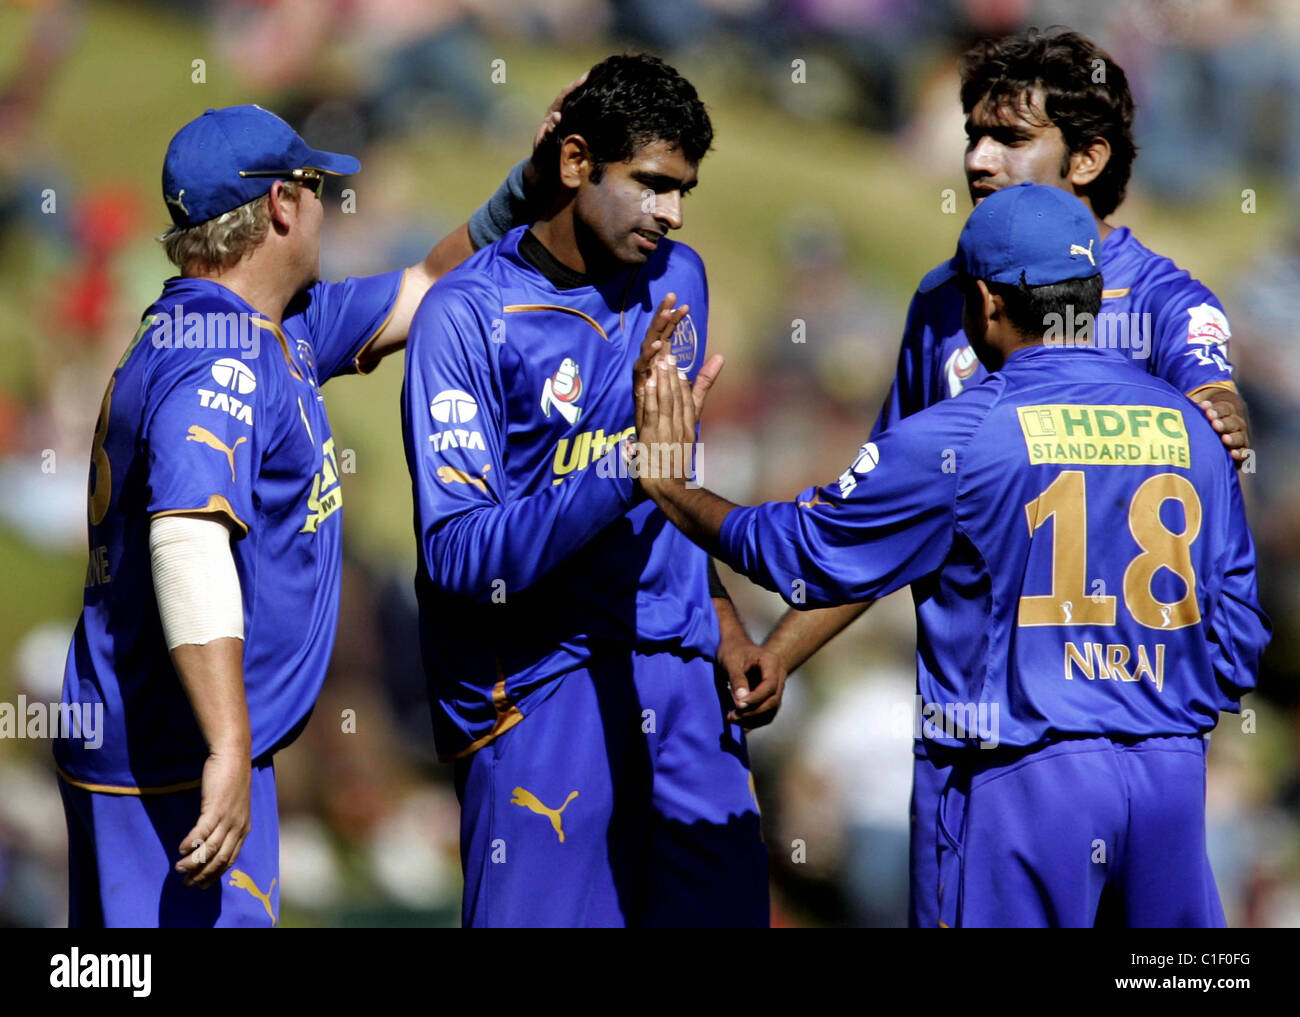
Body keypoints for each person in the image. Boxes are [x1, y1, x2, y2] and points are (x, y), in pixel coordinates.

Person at [634, 182, 1270, 927]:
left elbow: (798, 552)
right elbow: (1238, 637)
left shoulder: (962, 434)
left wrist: (670, 484)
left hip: (1022, 780)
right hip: (1171, 783)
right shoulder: (1194, 427)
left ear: (986, 301)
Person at [734, 27, 1255, 928]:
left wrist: (1218, 398)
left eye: (1010, 137)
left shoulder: (1168, 305)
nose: (976, 157)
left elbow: (1211, 399)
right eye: (973, 132)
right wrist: (778, 653)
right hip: (988, 745)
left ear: (1088, 158)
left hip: (1083, 756)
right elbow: (879, 521)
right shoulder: (947, 302)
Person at [54, 95, 569, 927]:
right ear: (282, 203)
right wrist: (228, 744)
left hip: (184, 744)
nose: (329, 208)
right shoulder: (218, 357)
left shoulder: (271, 328)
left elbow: (428, 283)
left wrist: (531, 185)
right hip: (174, 757)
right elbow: (186, 542)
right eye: (317, 187)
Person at [401, 54, 771, 928]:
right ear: (575, 162)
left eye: (684, 190)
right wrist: (620, 471)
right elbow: (458, 554)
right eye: (652, 185)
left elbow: (670, 484)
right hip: (543, 680)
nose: (673, 214)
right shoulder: (466, 317)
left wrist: (720, 615)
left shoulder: (678, 278)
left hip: (682, 670)